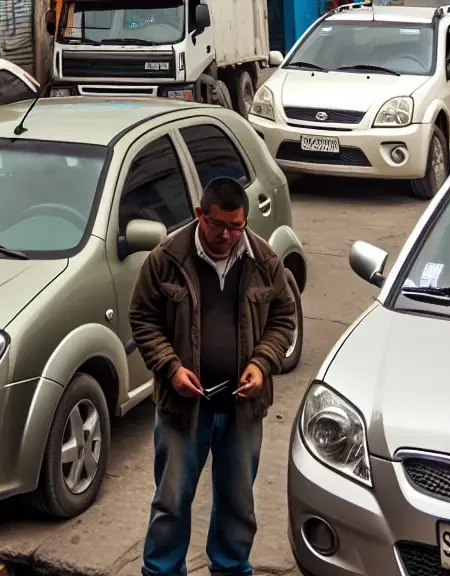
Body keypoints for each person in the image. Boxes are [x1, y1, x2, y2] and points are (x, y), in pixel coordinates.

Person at [129, 177, 296, 576]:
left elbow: (283, 318)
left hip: (242, 408)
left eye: (236, 226)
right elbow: (143, 319)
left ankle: (231, 569)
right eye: (218, 224)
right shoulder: (166, 258)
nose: (227, 235)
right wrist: (171, 367)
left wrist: (262, 362)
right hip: (184, 408)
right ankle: (163, 571)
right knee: (171, 502)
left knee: (238, 504)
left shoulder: (264, 261)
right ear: (200, 214)